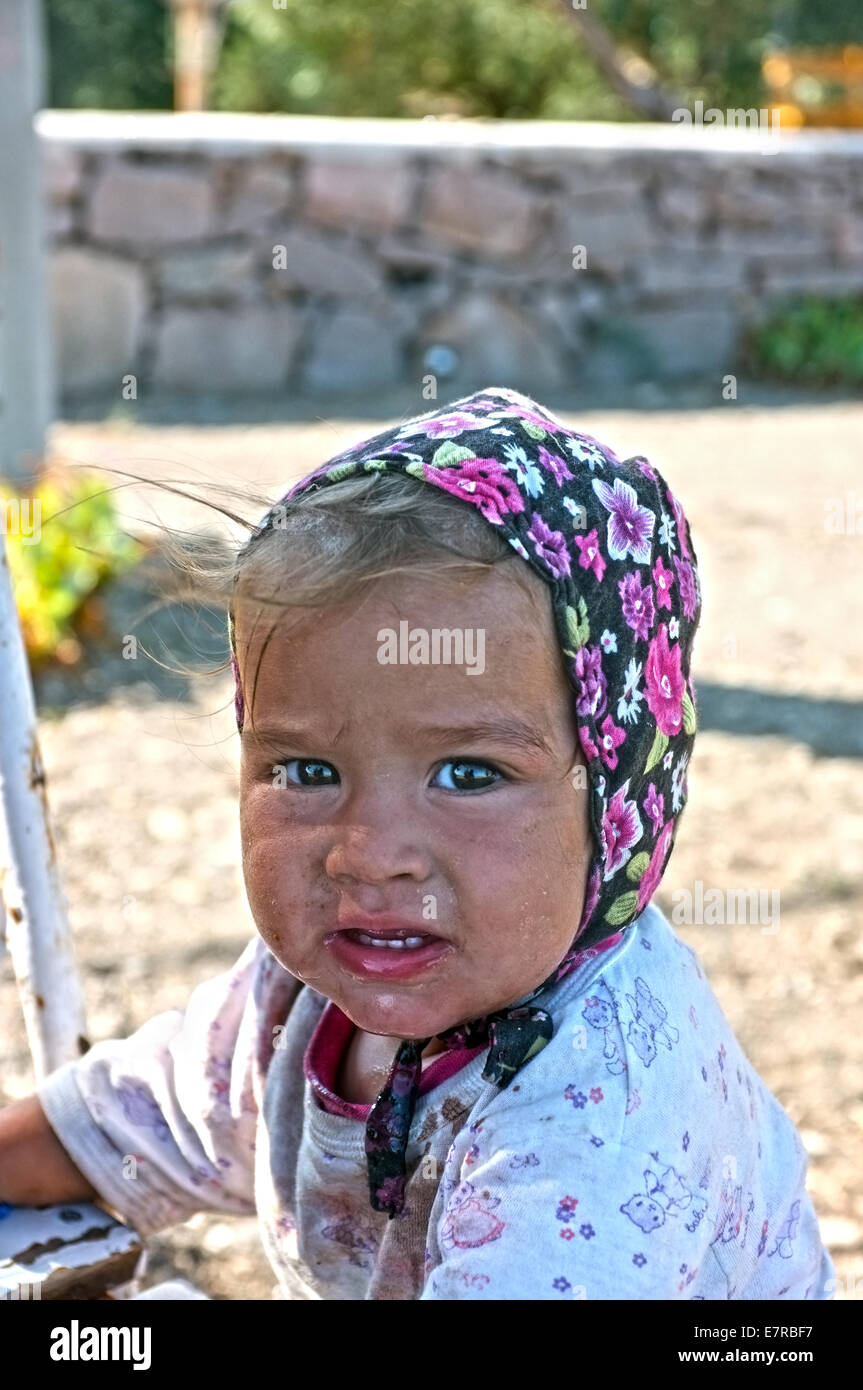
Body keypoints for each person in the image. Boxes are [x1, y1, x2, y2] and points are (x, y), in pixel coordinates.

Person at [0, 386, 835, 1299]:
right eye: (307, 771)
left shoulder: (606, 1111)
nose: (368, 853)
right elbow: (142, 1119)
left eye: (468, 775)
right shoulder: (301, 995)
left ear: (619, 798)